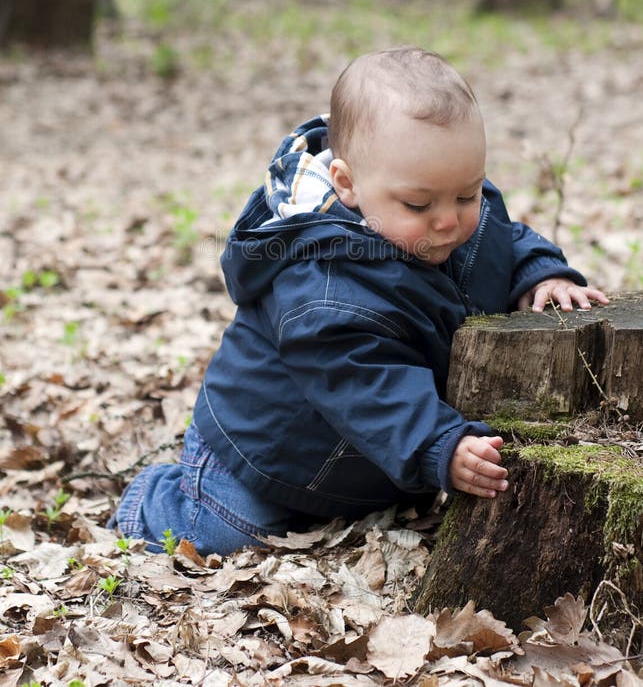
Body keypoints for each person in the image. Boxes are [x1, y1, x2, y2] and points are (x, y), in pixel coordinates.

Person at [110, 47, 609, 555]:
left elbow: (500, 240)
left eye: (468, 194)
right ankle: (150, 503)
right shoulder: (323, 284)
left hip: (355, 460)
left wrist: (542, 272)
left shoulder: (441, 215)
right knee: (224, 533)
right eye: (420, 204)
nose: (449, 220)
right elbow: (365, 382)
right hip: (264, 456)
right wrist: (437, 443)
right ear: (347, 185)